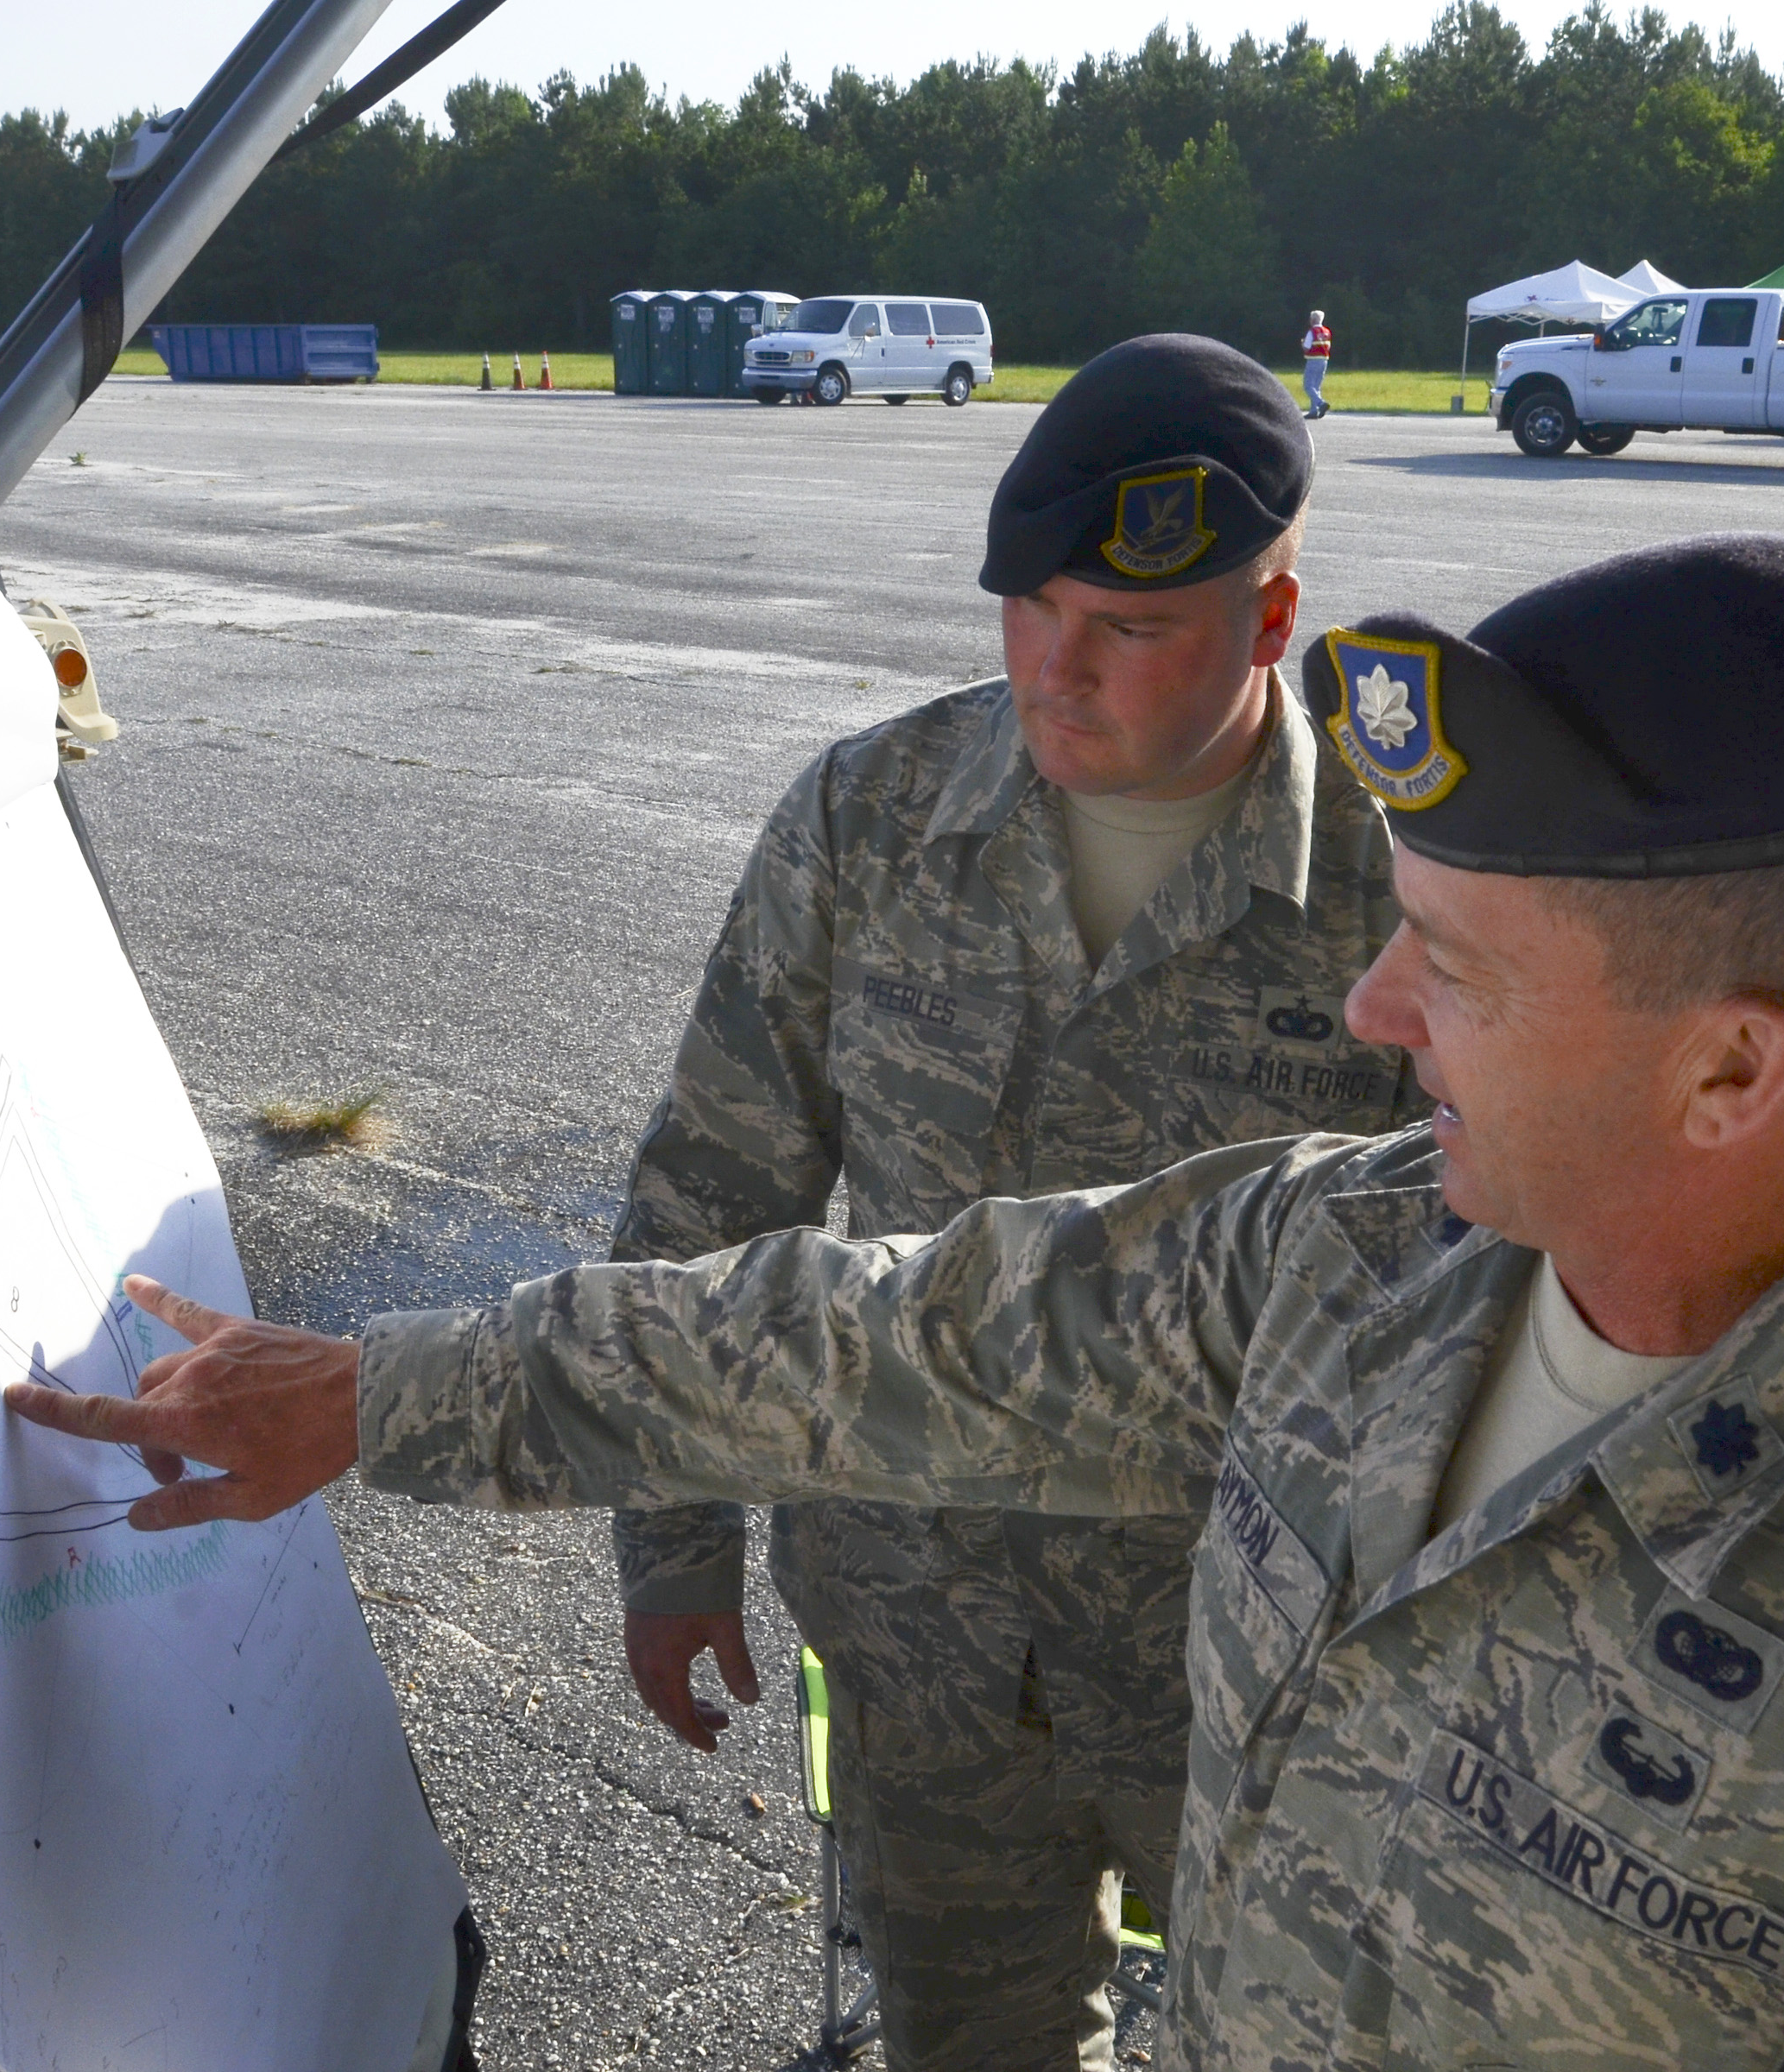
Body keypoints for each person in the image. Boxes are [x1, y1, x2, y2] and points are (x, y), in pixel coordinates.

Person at [13, 534, 1784, 2069]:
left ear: (1734, 1069)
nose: (1369, 1013)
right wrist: (368, 1399)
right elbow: (871, 1339)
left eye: (1449, 966)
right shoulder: (1362, 1269)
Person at [605, 331, 1423, 2069]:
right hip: (924, 1657)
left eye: (1131, 629)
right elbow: (714, 1188)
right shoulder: (873, 819)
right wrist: (672, 1542)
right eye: (1032, 608)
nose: (1061, 668)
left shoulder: (1406, 876)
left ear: (1270, 625)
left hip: (1263, 1672)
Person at [1300, 309, 1331, 419]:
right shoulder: (1327, 332)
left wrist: (1303, 344)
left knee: (1308, 385)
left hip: (1313, 360)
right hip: (1324, 360)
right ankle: (1314, 411)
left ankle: (1321, 403)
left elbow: (1307, 347)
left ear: (1313, 320)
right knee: (1316, 386)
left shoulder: (1312, 332)